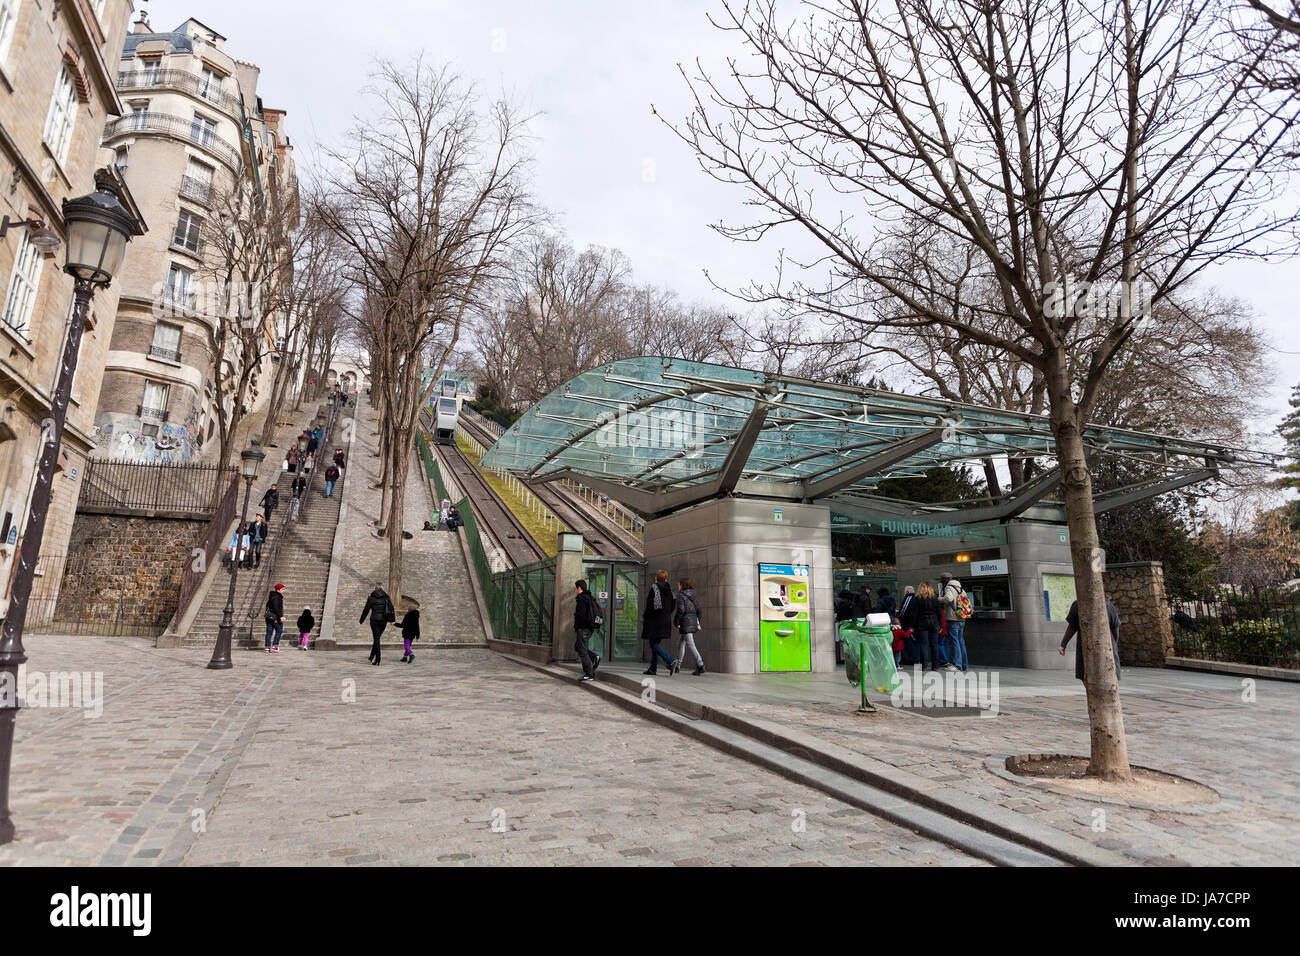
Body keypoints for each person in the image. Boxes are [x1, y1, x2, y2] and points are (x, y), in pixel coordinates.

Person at [1059, 598, 1122, 683]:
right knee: (1109, 675)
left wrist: (1063, 644)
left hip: (1086, 647)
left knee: (1086, 675)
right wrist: (1113, 645)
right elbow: (1115, 629)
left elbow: (1072, 627)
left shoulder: (1078, 604)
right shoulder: (1108, 605)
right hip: (1108, 648)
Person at [641, 570, 678, 676]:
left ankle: (670, 660)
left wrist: (645, 617)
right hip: (665, 620)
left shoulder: (655, 588)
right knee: (655, 644)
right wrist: (666, 614)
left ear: (656, 578)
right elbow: (673, 605)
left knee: (653, 644)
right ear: (666, 579)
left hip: (655, 621)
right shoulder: (670, 590)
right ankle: (653, 668)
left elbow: (650, 605)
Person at [903, 581, 943, 671]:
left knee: (924, 644)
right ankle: (935, 666)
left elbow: (914, 614)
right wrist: (940, 625)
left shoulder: (917, 599)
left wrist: (912, 626)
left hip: (922, 623)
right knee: (935, 645)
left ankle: (924, 665)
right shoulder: (935, 598)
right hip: (934, 623)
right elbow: (939, 613)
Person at [674, 577, 705, 676]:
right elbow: (699, 609)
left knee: (691, 644)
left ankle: (700, 665)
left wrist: (676, 621)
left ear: (681, 585)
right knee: (680, 643)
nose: (678, 586)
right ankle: (677, 666)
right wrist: (697, 621)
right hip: (691, 621)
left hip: (685, 622)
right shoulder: (692, 595)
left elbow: (681, 610)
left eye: (679, 585)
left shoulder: (681, 595)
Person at [938, 573, 969, 672]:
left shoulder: (949, 587)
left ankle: (957, 665)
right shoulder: (959, 587)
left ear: (945, 580)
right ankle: (964, 664)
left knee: (955, 642)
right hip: (961, 617)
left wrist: (938, 599)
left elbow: (948, 598)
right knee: (961, 641)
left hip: (952, 618)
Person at [573, 579, 601, 682]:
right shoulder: (590, 598)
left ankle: (589, 674)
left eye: (576, 588)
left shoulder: (581, 599)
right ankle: (594, 657)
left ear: (579, 588)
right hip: (590, 628)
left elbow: (581, 615)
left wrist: (579, 627)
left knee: (582, 651)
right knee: (578, 647)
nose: (576, 591)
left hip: (583, 628)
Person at [360, 583, 395, 665]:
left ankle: (378, 658)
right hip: (383, 621)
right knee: (377, 638)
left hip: (374, 620)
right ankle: (372, 656)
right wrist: (392, 620)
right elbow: (391, 608)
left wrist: (362, 619)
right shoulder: (386, 597)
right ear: (382, 588)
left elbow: (366, 610)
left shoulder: (371, 598)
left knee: (376, 639)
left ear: (375, 588)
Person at [896, 586, 919, 664]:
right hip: (914, 623)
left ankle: (913, 659)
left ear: (907, 592)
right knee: (914, 642)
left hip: (908, 624)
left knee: (910, 642)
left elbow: (903, 610)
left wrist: (898, 617)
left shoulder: (909, 598)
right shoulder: (916, 598)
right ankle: (915, 658)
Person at [394, 599, 421, 663]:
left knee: (406, 646)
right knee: (408, 646)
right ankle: (405, 657)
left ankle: (412, 655)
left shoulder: (407, 616)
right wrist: (417, 636)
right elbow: (417, 627)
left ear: (409, 610)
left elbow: (402, 625)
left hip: (407, 633)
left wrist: (394, 623)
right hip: (413, 634)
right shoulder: (416, 617)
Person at [264, 583, 286, 653]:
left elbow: (268, 606)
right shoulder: (278, 597)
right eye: (282, 589)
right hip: (275, 618)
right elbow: (276, 608)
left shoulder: (271, 596)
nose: (284, 591)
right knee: (279, 631)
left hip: (269, 618)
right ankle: (275, 646)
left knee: (269, 632)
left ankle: (267, 647)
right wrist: (281, 616)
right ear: (278, 590)